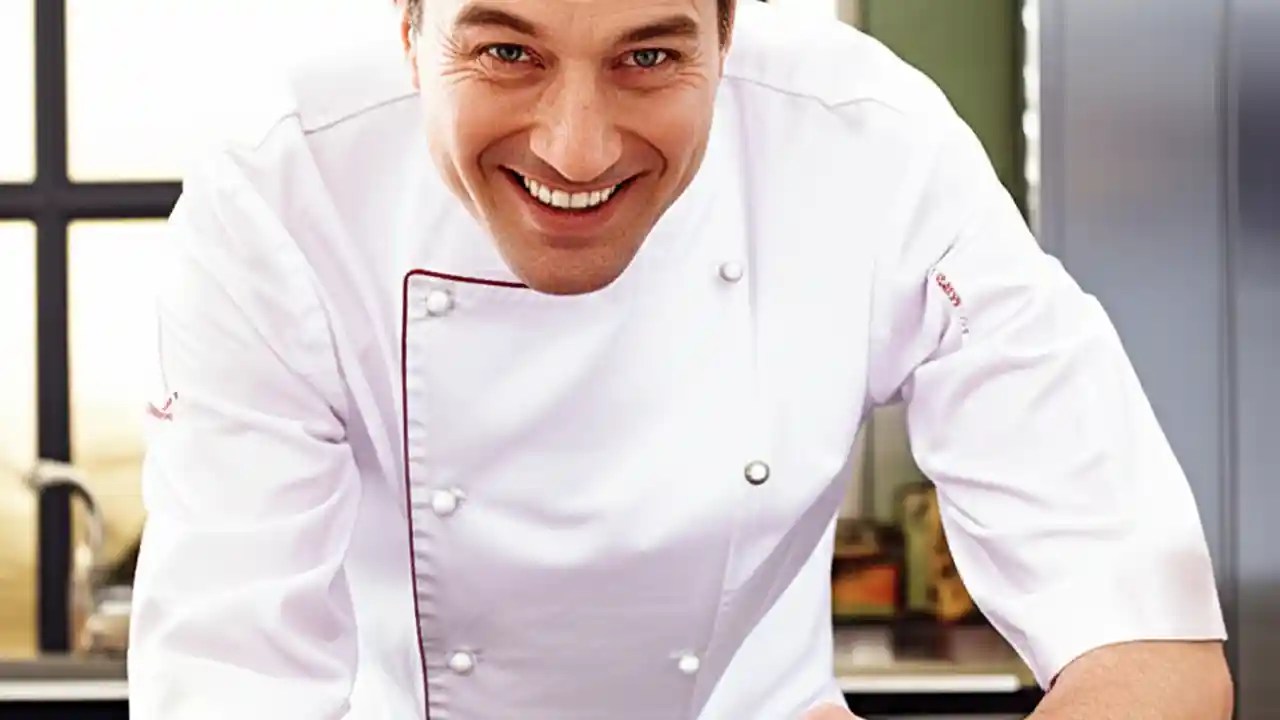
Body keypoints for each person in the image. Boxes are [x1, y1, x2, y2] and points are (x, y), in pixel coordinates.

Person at [126, 0, 1233, 718]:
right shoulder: (282, 193)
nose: (576, 147)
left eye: (648, 56)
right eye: (504, 51)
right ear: (411, 32)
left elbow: (1146, 643)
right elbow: (230, 686)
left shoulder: (868, 146)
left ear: (727, 33)